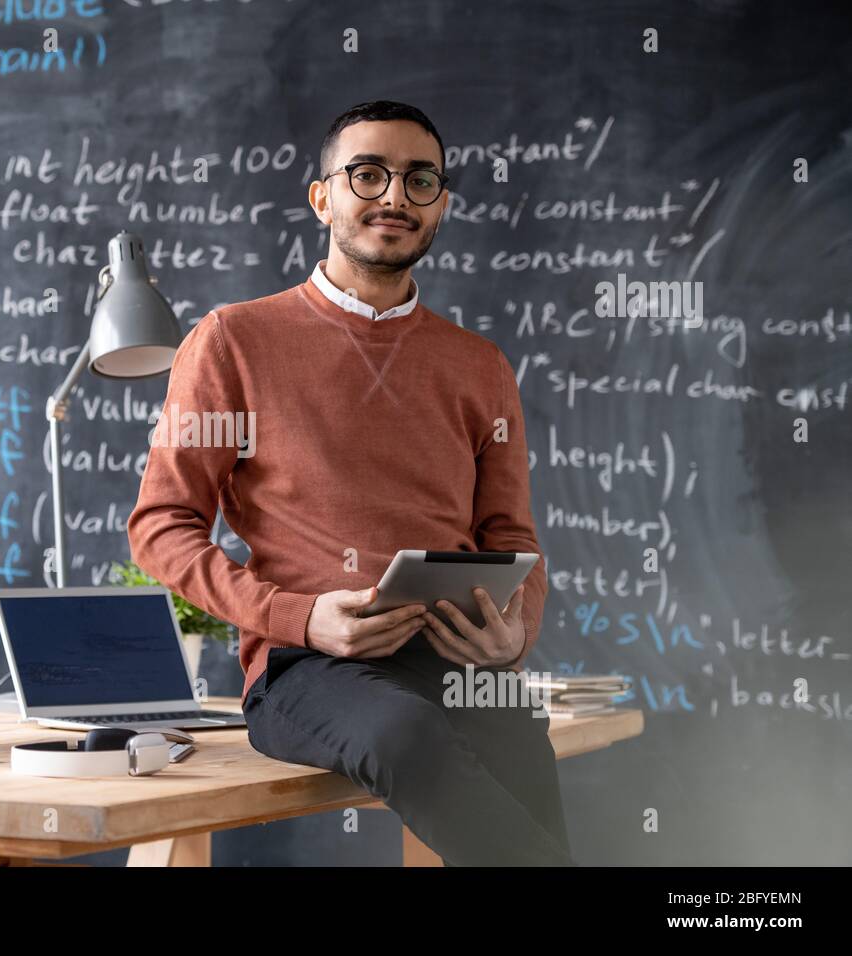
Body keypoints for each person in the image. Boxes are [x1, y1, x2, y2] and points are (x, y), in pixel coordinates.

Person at [127, 100, 575, 866]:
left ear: (441, 205)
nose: (394, 198)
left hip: (460, 664)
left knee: (514, 734)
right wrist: (299, 617)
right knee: (404, 733)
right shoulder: (232, 340)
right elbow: (160, 528)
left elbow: (510, 537)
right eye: (367, 175)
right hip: (307, 670)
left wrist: (515, 634)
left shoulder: (480, 366)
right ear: (323, 197)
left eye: (419, 180)